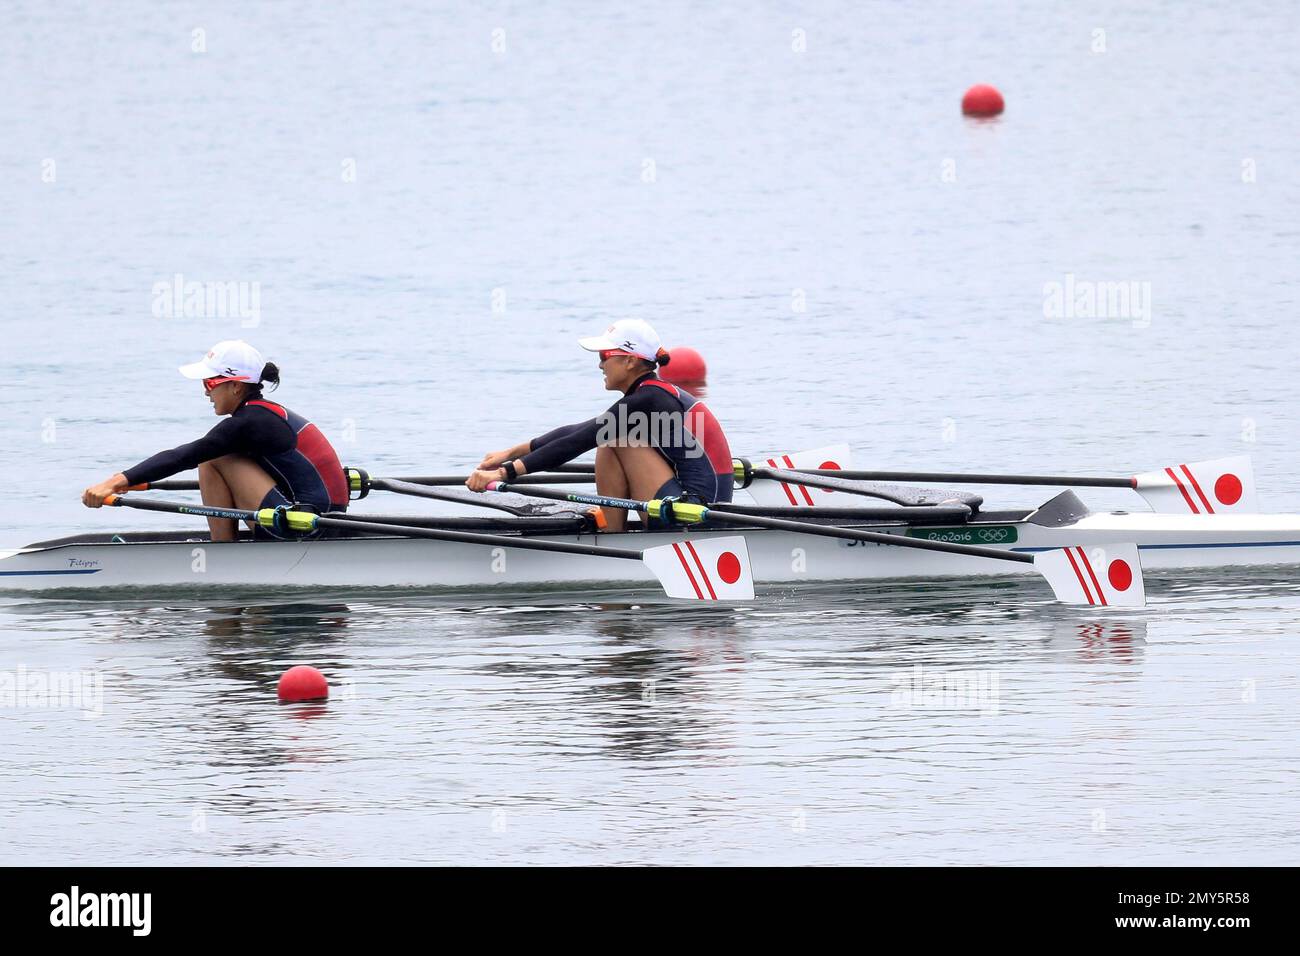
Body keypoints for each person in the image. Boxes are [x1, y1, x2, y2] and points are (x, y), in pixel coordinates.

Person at [466, 319, 733, 531]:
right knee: (609, 437)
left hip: (696, 513)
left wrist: (504, 474)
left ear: (629, 361)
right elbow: (580, 431)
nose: (600, 364)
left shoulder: (650, 398)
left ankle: (611, 533)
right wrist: (511, 453)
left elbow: (582, 439)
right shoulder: (652, 394)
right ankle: (611, 529)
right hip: (697, 503)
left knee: (612, 439)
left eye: (605, 355)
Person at [81, 340, 349, 540]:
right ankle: (224, 548)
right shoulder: (264, 414)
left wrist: (115, 481)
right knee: (212, 458)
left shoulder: (248, 423)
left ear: (236, 385)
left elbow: (183, 456)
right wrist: (137, 478)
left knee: (212, 458)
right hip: (325, 519)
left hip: (311, 527)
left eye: (210, 383)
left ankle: (223, 554)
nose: (206, 393)